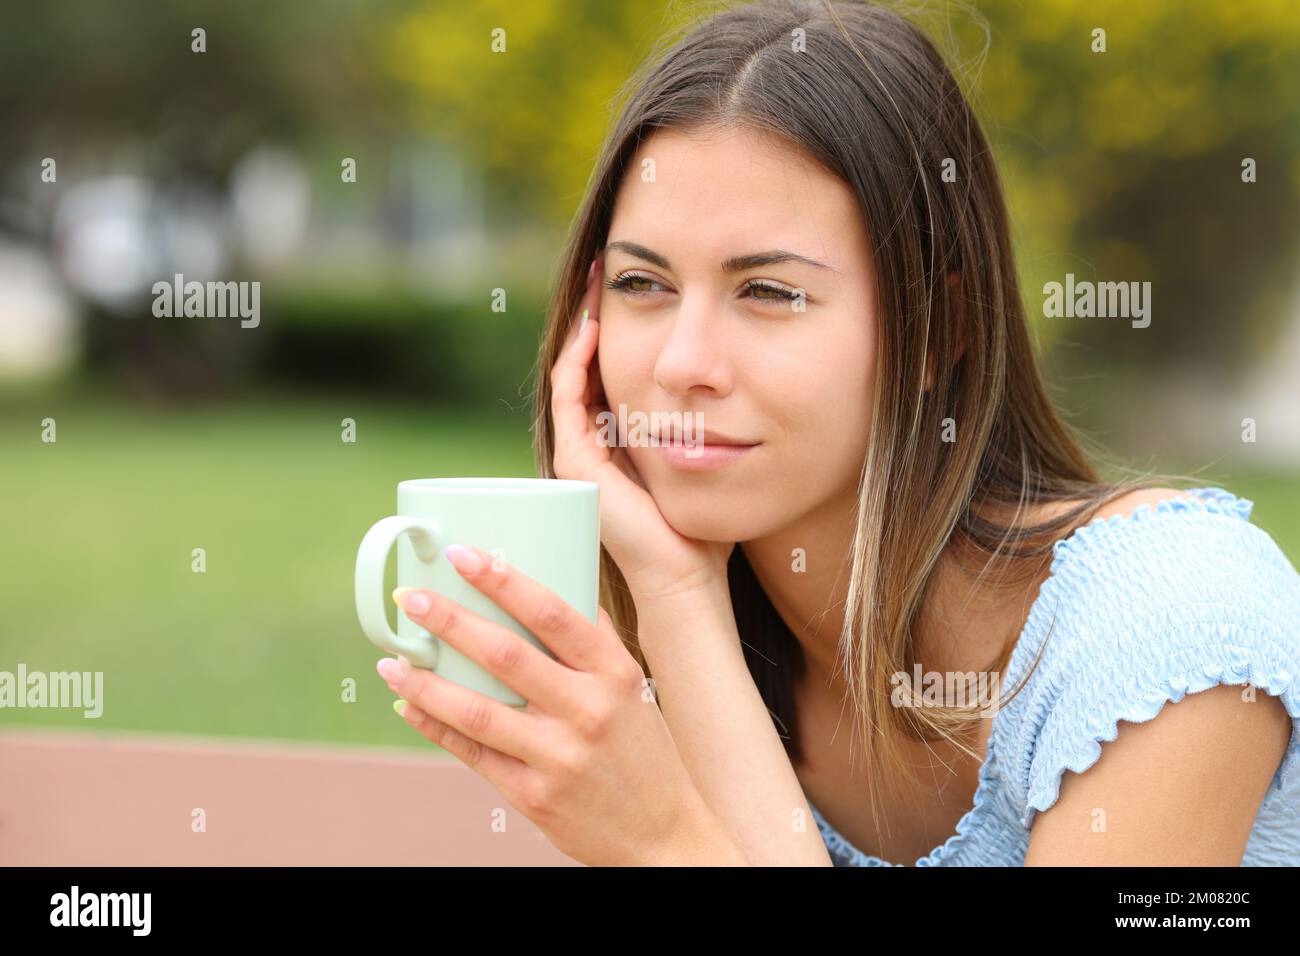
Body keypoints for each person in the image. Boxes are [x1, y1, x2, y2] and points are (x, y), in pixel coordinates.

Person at [385, 0, 1300, 866]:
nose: (682, 363)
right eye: (641, 284)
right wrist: (672, 589)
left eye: (770, 292)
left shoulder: (1170, 628)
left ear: (939, 332)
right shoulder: (688, 651)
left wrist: (665, 843)